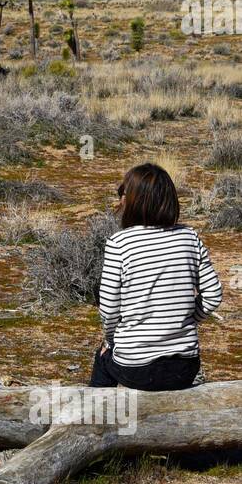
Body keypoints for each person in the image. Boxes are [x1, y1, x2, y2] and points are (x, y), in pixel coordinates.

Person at [90, 163, 222, 392]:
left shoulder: (119, 243)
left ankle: (96, 420)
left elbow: (109, 309)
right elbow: (213, 295)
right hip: (185, 366)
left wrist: (111, 342)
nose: (120, 199)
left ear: (133, 200)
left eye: (124, 192)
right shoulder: (189, 236)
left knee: (102, 361)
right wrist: (189, 320)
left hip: (136, 367)